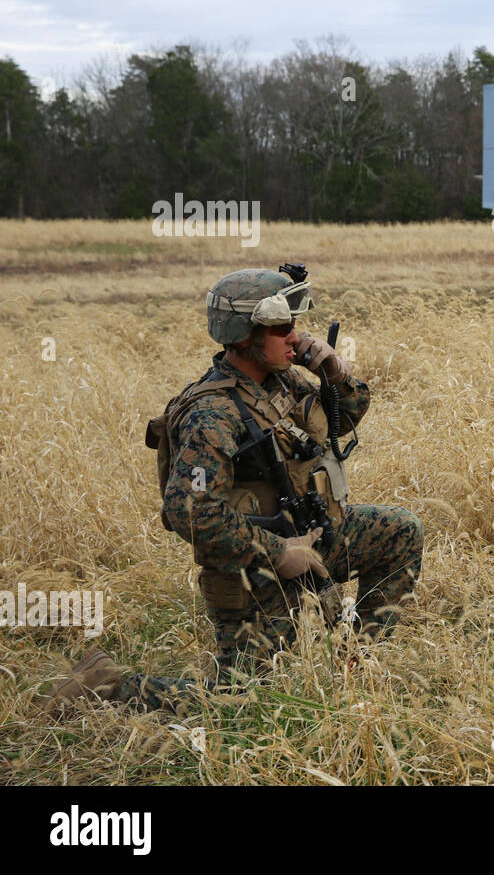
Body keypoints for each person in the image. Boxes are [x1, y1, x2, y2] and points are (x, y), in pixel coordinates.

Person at [38, 266, 424, 714]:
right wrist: (279, 551)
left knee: (401, 531)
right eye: (281, 327)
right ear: (244, 335)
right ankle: (101, 686)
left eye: (293, 325)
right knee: (246, 705)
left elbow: (340, 422)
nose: (294, 336)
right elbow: (190, 512)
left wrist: (334, 372)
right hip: (254, 576)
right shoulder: (213, 413)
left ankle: (354, 667)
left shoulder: (282, 381)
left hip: (313, 539)